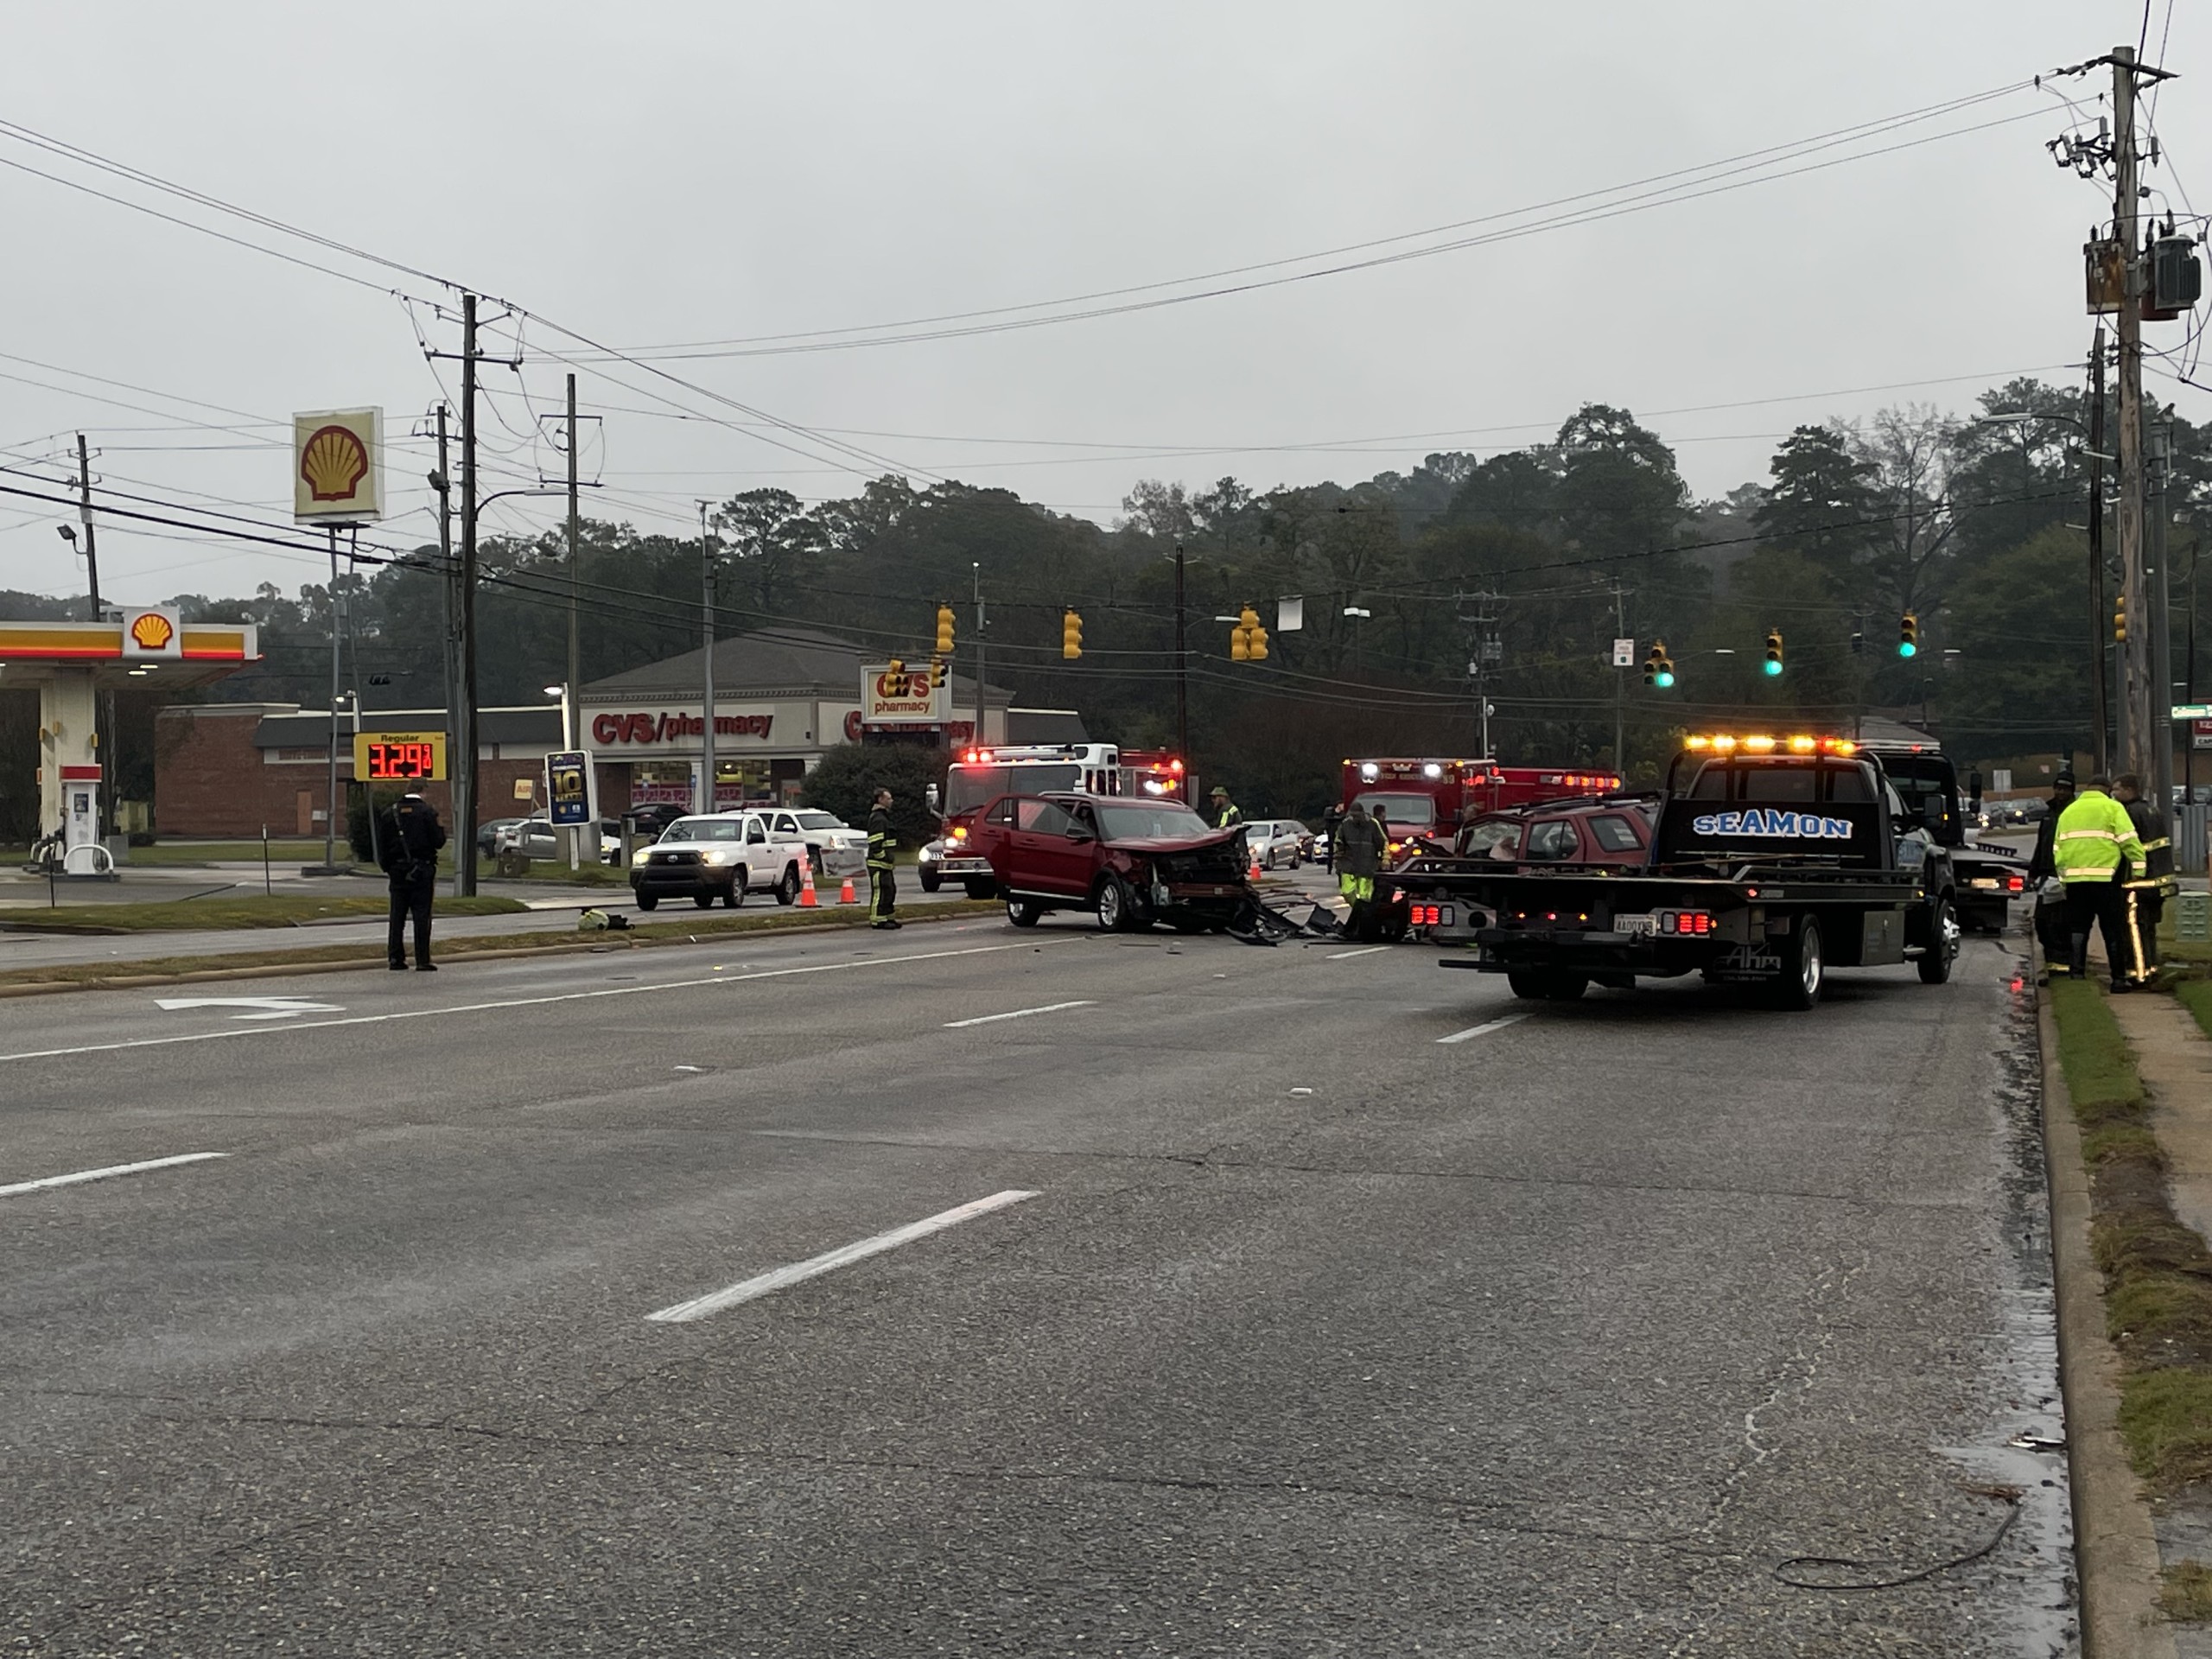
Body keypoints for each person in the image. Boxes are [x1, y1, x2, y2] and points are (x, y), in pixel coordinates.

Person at [2054, 772, 2145, 991]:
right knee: (2113, 929)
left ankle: (2077, 974)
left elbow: (2058, 849)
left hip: (2075, 881)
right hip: (2105, 880)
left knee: (2078, 928)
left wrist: (2064, 879)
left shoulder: (2069, 811)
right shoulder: (2113, 808)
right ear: (2106, 790)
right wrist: (2139, 870)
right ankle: (2118, 979)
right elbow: (2129, 841)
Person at [378, 790, 447, 971]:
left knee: (397, 916)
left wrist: (388, 868)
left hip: (397, 870)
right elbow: (439, 841)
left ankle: (395, 958)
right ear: (423, 792)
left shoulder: (389, 813)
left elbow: (381, 846)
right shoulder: (427, 812)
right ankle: (422, 959)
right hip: (421, 869)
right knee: (422, 916)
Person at [2114, 772, 2175, 976]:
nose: (2114, 794)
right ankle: (2151, 968)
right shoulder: (2152, 810)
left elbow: (2129, 848)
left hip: (2139, 882)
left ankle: (2138, 973)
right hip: (2158, 882)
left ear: (2130, 790)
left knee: (2134, 929)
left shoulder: (2129, 813)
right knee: (2148, 928)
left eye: (2117, 789)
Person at [2026, 772, 2076, 980]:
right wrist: (2032, 874)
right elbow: (2042, 845)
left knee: (2061, 923)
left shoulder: (2074, 813)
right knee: (2042, 922)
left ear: (2072, 791)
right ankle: (2051, 961)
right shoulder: (2048, 814)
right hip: (2047, 876)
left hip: (2066, 875)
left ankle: (2063, 965)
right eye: (2058, 788)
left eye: (2065, 788)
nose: (2060, 792)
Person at [1334, 797, 1387, 927]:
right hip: (1349, 865)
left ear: (1363, 814)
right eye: (1353, 816)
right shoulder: (1345, 825)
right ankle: (1358, 911)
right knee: (1347, 892)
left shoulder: (1373, 824)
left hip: (1367, 865)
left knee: (1365, 896)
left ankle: (1364, 919)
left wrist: (1382, 859)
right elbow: (1338, 841)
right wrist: (1339, 854)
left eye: (1357, 816)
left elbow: (1382, 842)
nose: (1355, 818)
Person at [867, 786, 900, 930]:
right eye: (888, 798)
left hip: (885, 864)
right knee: (880, 892)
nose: (891, 801)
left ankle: (888, 917)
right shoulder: (878, 819)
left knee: (890, 890)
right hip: (878, 864)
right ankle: (877, 920)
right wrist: (884, 858)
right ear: (880, 800)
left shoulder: (884, 817)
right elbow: (875, 844)